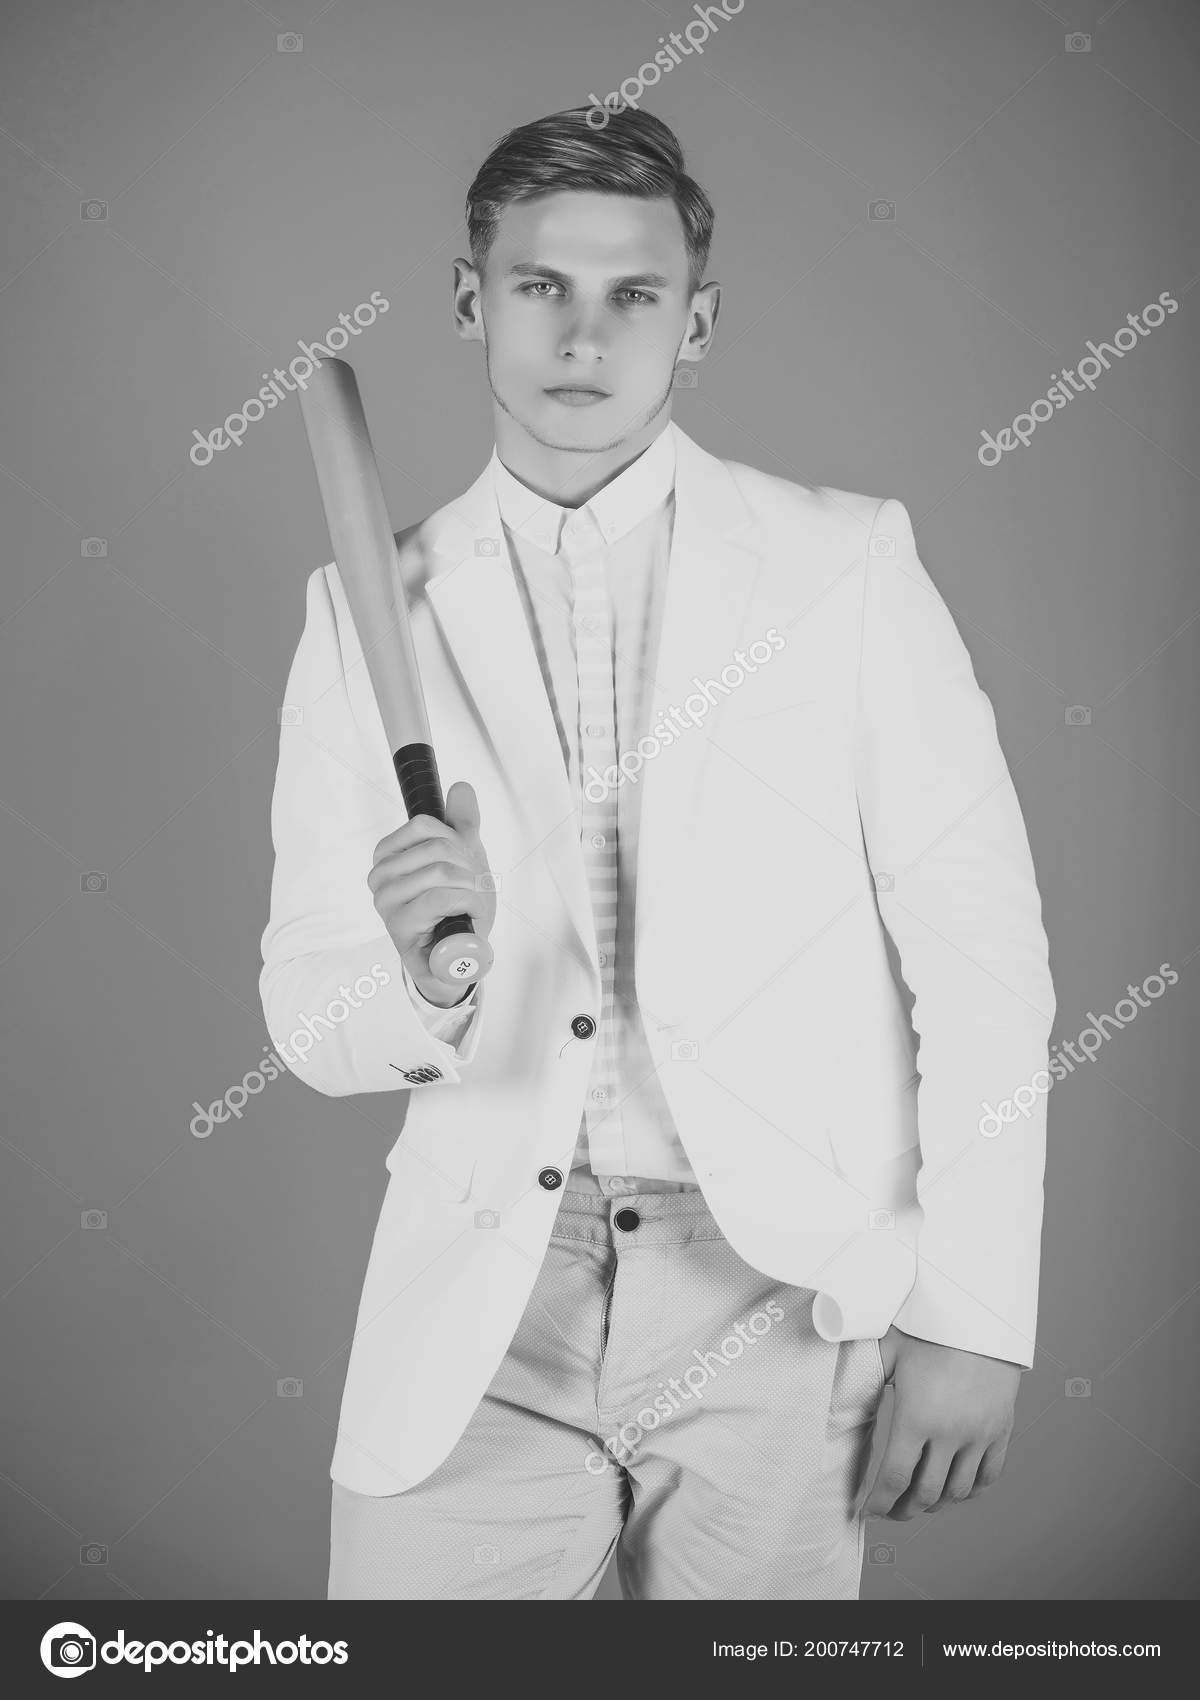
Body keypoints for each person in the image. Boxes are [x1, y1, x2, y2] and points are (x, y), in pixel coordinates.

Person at [259, 104, 1055, 1600]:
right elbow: (305, 1021)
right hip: (486, 1306)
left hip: (779, 1299)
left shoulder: (844, 564)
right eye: (539, 286)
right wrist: (424, 977)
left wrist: (974, 1316)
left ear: (697, 323)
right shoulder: (362, 611)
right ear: (469, 301)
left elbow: (982, 955)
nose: (583, 335)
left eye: (634, 294)